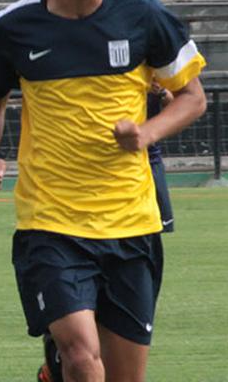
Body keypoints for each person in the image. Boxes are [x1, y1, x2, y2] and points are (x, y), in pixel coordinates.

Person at [0, 0, 207, 382]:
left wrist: (146, 132)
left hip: (129, 221)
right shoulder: (14, 26)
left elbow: (192, 98)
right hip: (51, 222)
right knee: (82, 356)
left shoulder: (144, 18)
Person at [38, 82, 177, 382]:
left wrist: (160, 96)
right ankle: (66, 350)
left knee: (128, 293)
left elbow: (184, 100)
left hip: (144, 173)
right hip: (80, 185)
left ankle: (74, 353)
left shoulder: (155, 47)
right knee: (82, 339)